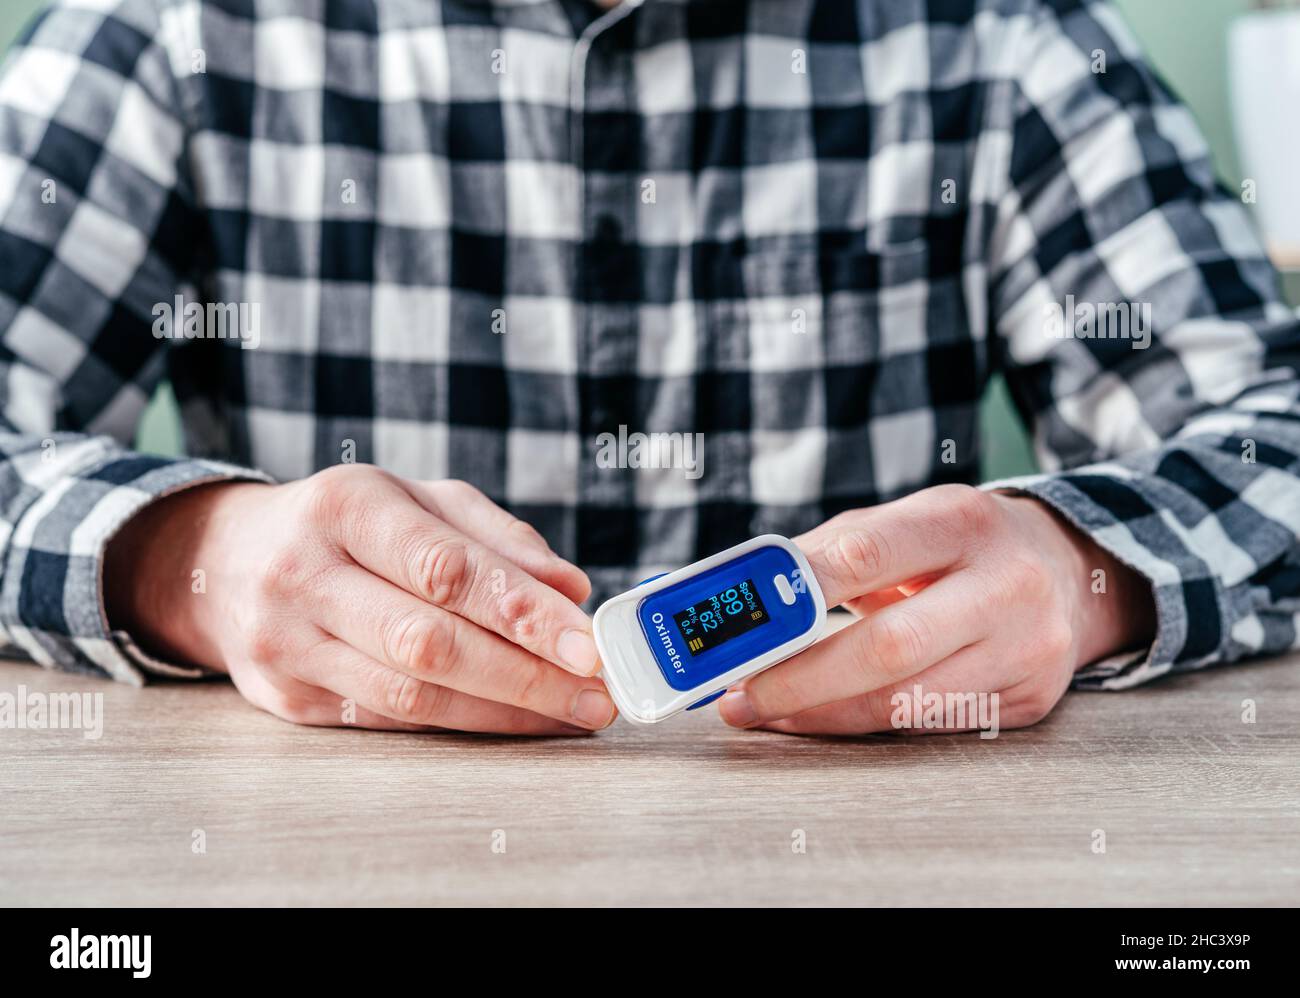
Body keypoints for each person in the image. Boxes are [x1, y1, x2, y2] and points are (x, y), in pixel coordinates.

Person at [1, 0, 1296, 737]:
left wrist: (1088, 574)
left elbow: (1274, 428)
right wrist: (195, 562)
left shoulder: (1001, 38)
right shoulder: (170, 32)